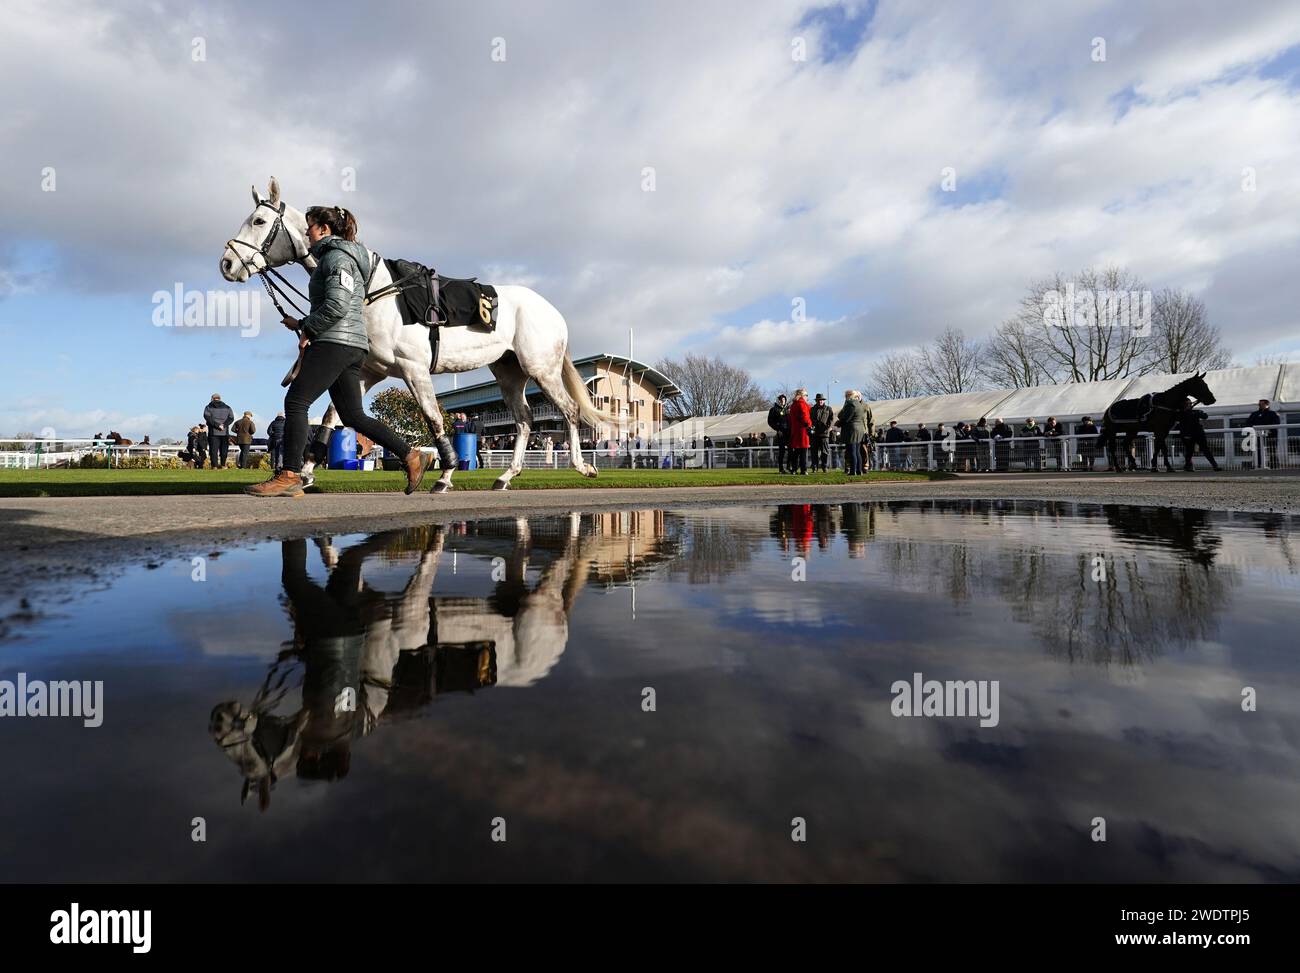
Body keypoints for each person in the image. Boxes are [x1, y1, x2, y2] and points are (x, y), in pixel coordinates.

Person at [245, 205, 435, 498]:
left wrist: (309, 326)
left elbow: (337, 305)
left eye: (310, 227)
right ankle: (410, 455)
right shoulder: (339, 257)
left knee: (296, 402)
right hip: (349, 344)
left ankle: (290, 476)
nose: (307, 233)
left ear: (324, 229)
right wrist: (302, 323)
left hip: (337, 342)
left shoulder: (337, 258)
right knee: (353, 415)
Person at [1177, 399, 1220, 471]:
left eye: (1190, 404)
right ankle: (1188, 466)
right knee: (1189, 451)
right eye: (1188, 404)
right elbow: (1181, 422)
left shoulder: (1193, 412)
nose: (1190, 405)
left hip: (1198, 434)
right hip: (1189, 435)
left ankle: (1215, 465)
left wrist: (1198, 413)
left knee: (1205, 449)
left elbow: (1205, 416)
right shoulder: (1181, 414)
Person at [837, 390, 867, 476]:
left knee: (851, 451)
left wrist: (838, 423)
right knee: (857, 451)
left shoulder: (850, 404)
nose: (845, 397)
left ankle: (853, 471)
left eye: (846, 396)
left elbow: (845, 417)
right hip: (859, 429)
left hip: (852, 430)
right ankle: (859, 470)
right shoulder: (859, 404)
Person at [1245, 398, 1281, 469]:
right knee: (1258, 450)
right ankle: (1259, 464)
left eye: (1262, 404)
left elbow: (1276, 423)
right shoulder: (1254, 414)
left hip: (1271, 436)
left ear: (1267, 404)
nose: (1260, 405)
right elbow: (1248, 423)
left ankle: (1274, 465)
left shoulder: (1273, 413)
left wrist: (1269, 429)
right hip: (1257, 436)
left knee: (1272, 450)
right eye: (1259, 404)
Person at [204, 393, 235, 469]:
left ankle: (214, 466)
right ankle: (223, 465)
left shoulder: (208, 407)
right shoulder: (228, 407)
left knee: (213, 450)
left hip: (213, 433)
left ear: (212, 398)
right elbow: (231, 418)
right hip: (224, 432)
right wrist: (223, 425)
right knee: (224, 450)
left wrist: (217, 425)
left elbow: (207, 417)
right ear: (220, 398)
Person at [787, 389, 812, 474]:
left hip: (795, 430)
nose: (807, 397)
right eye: (806, 395)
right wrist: (809, 424)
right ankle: (803, 469)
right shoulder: (802, 404)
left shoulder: (793, 405)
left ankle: (794, 469)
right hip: (803, 430)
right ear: (803, 396)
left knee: (796, 451)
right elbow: (805, 417)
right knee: (803, 451)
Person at [810, 393, 835, 472]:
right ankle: (814, 467)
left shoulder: (828, 409)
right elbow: (810, 419)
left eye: (821, 400)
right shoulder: (812, 409)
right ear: (816, 401)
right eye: (818, 400)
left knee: (825, 451)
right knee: (814, 452)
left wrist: (828, 428)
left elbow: (831, 419)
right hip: (815, 433)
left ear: (823, 401)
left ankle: (824, 466)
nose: (820, 401)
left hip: (824, 434)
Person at [767, 394, 790, 473]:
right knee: (782, 451)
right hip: (781, 433)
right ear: (778, 400)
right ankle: (781, 468)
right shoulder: (773, 410)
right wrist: (777, 429)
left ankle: (789, 467)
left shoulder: (788, 409)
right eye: (781, 400)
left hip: (789, 432)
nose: (782, 401)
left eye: (784, 400)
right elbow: (770, 422)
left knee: (791, 450)